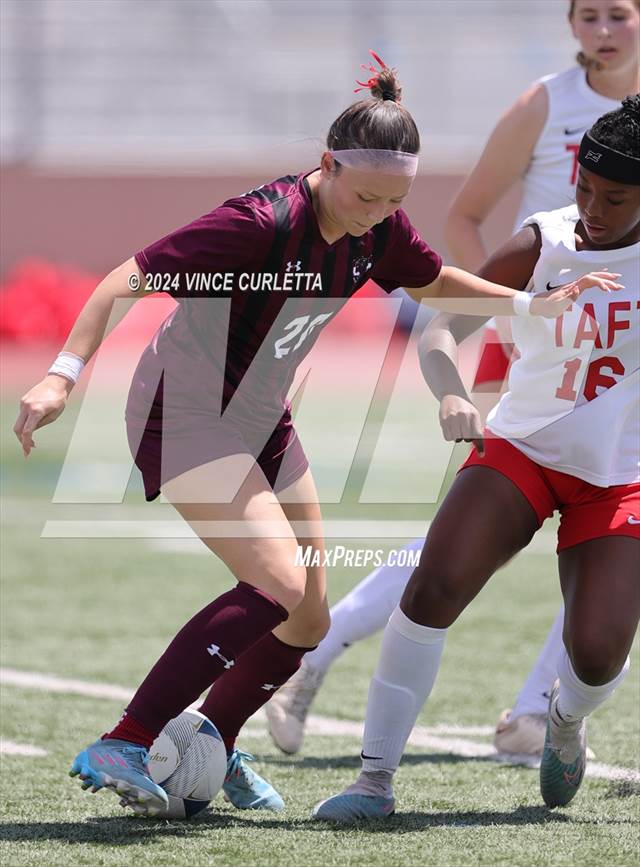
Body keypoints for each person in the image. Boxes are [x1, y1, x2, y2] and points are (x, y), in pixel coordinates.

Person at [13, 52, 611, 819]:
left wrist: (534, 305)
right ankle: (125, 737)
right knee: (278, 584)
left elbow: (433, 282)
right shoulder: (255, 223)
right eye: (363, 196)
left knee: (309, 616)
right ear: (326, 164)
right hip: (188, 411)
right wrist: (62, 374)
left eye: (392, 200)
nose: (374, 214)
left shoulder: (378, 224)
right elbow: (122, 279)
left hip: (263, 419)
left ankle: (218, 739)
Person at [265, 0, 640, 759]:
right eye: (590, 15)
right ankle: (319, 652)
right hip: (542, 323)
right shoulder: (544, 105)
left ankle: (541, 711)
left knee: (610, 544)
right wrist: (514, 310)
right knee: (470, 530)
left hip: (619, 347)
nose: (604, 31)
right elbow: (468, 221)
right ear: (570, 24)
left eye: (621, 16)